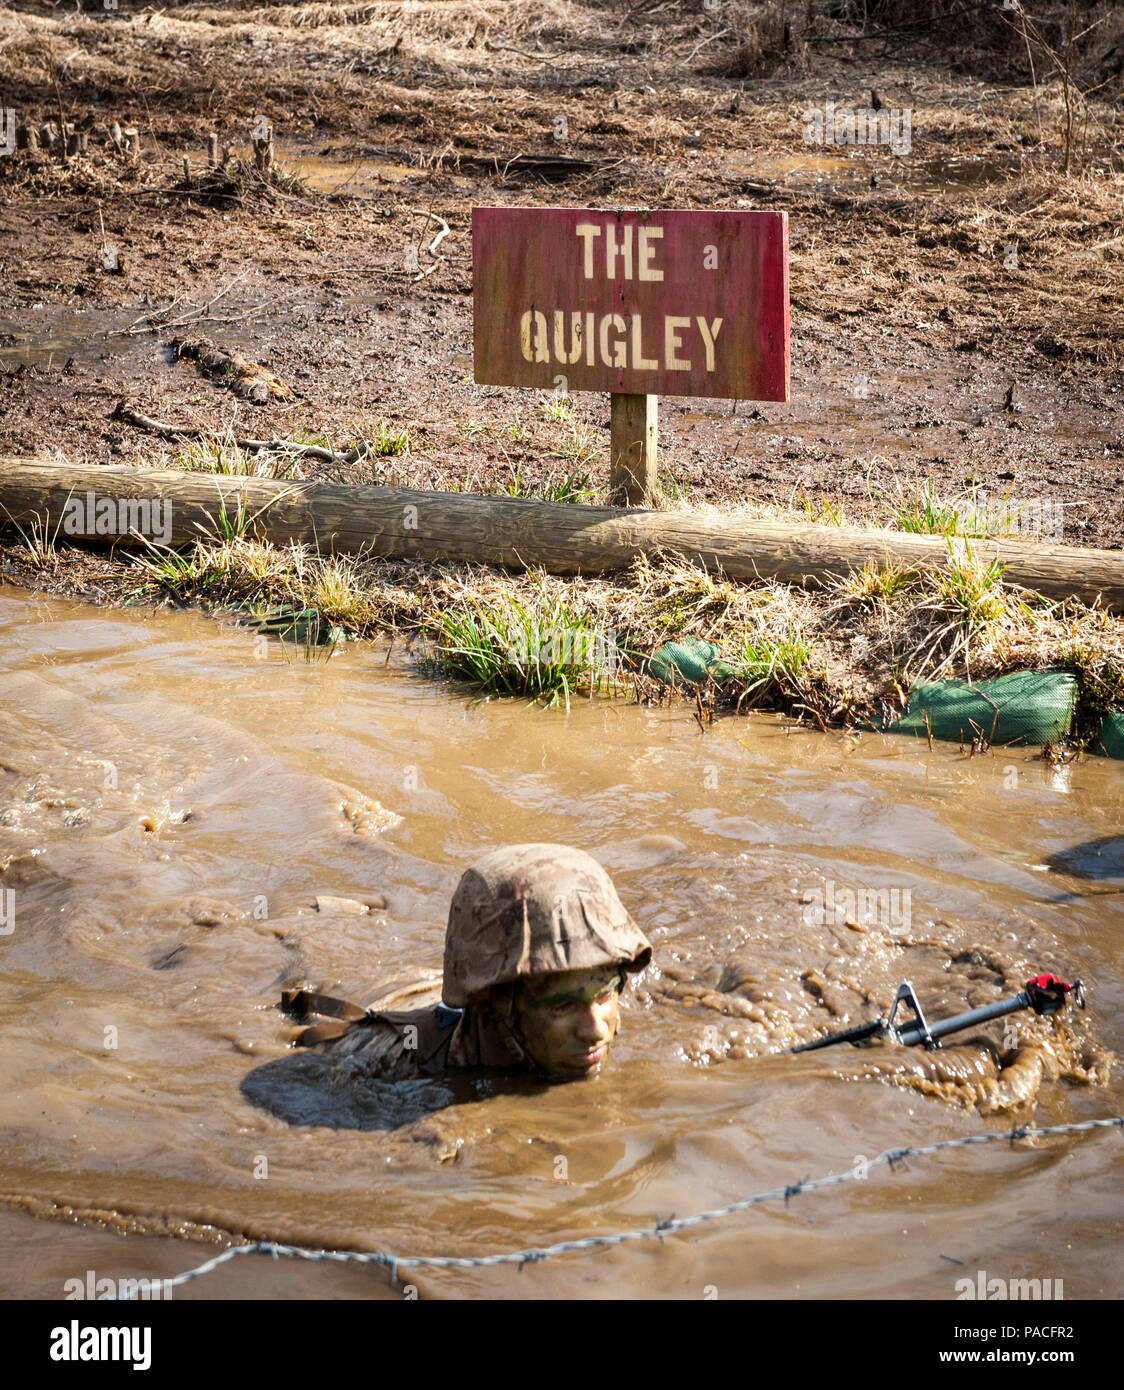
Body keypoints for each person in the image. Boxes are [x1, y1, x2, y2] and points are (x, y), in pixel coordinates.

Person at [280, 843, 652, 1084]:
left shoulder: (596, 1002)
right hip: (394, 997)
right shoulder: (392, 1063)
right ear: (493, 1005)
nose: (595, 1031)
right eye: (561, 1006)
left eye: (604, 995)